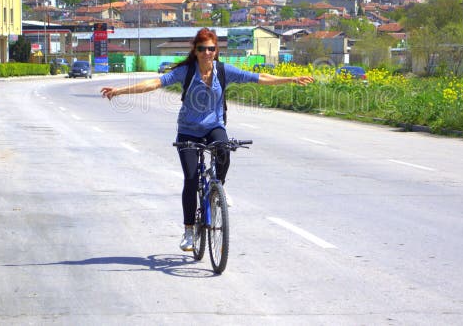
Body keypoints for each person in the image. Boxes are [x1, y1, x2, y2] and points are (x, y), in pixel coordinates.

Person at [101, 28, 313, 251]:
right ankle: (189, 231)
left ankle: (218, 187)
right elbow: (154, 83)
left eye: (211, 49)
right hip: (188, 131)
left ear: (216, 50)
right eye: (202, 49)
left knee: (224, 149)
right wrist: (120, 91)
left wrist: (291, 78)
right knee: (191, 180)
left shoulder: (223, 71)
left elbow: (259, 78)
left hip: (214, 126)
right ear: (195, 50)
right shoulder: (186, 71)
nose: (206, 53)